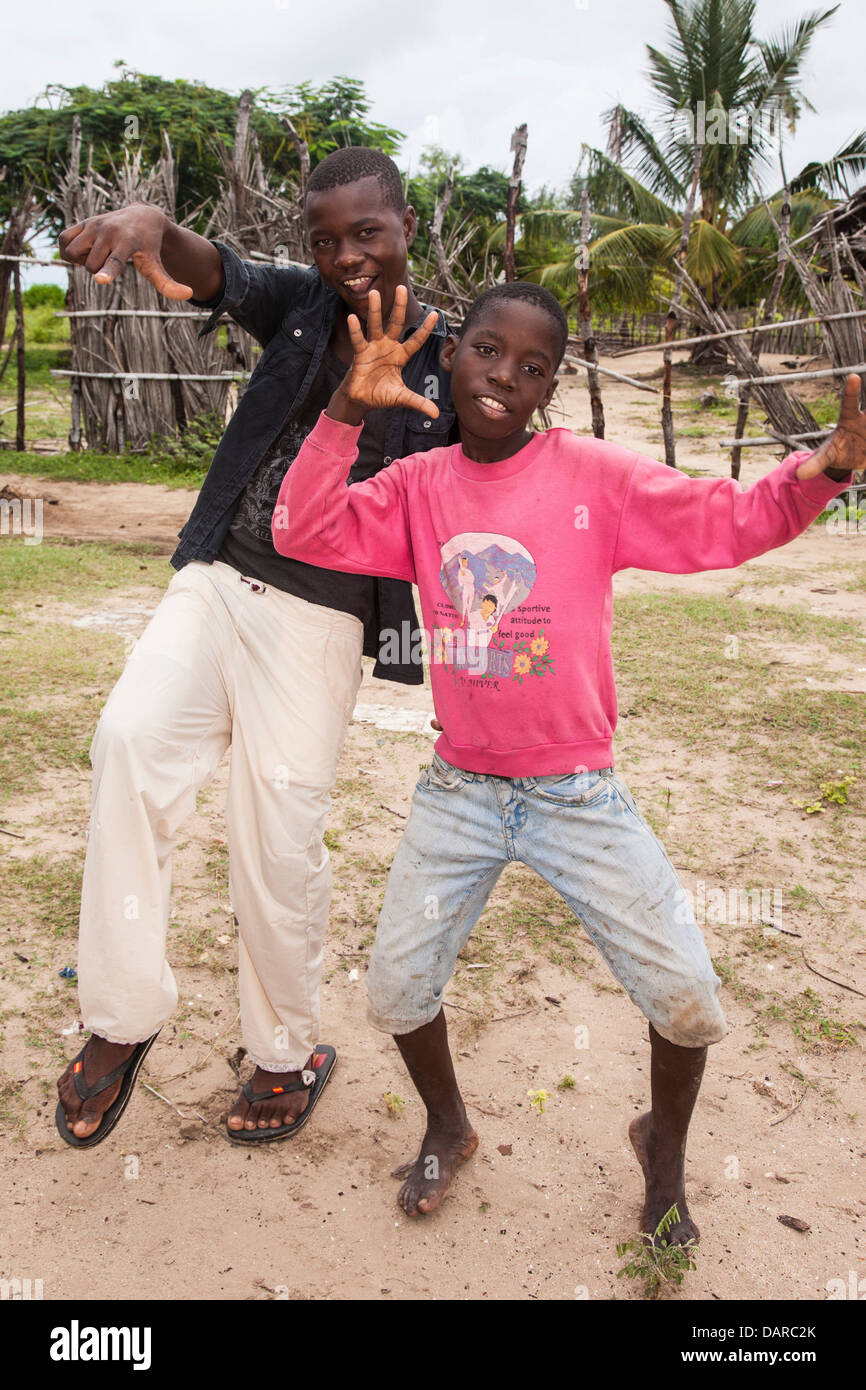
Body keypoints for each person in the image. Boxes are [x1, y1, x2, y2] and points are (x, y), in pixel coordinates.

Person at [272, 279, 859, 1236]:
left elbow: (727, 519)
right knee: (394, 991)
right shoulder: (419, 489)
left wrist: (822, 472)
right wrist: (342, 408)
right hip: (460, 788)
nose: (504, 376)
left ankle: (660, 1152)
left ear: (550, 388)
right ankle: (449, 1125)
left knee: (688, 1003)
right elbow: (305, 527)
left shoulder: (594, 478)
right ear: (452, 356)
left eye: (533, 367)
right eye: (488, 352)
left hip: (576, 793)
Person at [55, 148, 457, 1148]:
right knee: (128, 747)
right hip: (215, 577)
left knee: (277, 835)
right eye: (324, 239)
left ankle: (285, 1050)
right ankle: (121, 1016)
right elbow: (211, 268)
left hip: (320, 619)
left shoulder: (448, 357)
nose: (345, 255)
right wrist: (150, 222)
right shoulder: (302, 306)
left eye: (366, 232)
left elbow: (500, 453)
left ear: (405, 227)